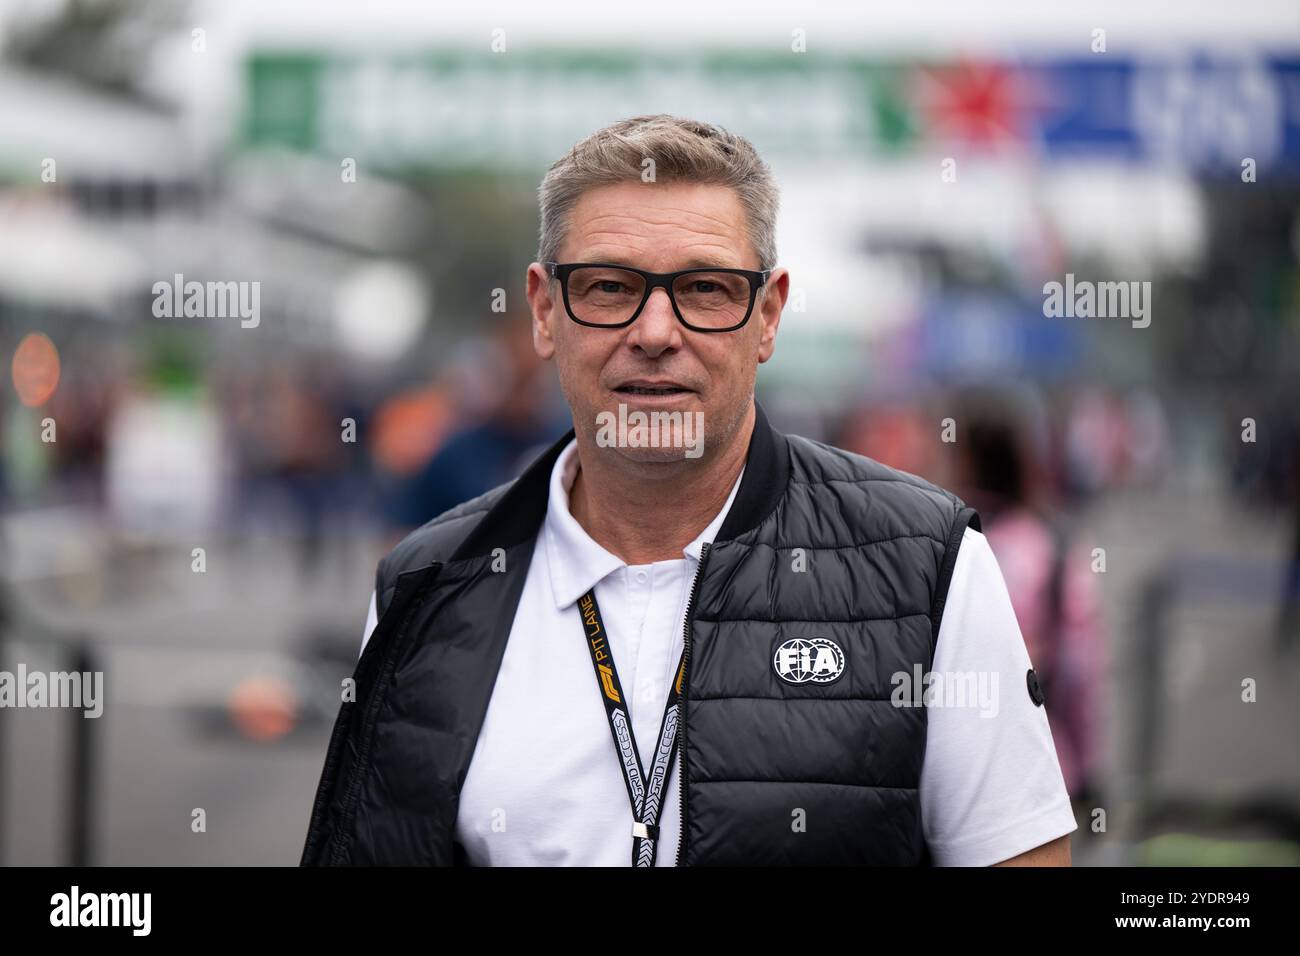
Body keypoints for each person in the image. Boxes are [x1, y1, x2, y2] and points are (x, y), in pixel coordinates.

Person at [302, 115, 1077, 866]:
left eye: (705, 289)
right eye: (609, 287)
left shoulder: (929, 565)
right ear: (544, 312)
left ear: (767, 315)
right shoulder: (425, 585)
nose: (655, 331)